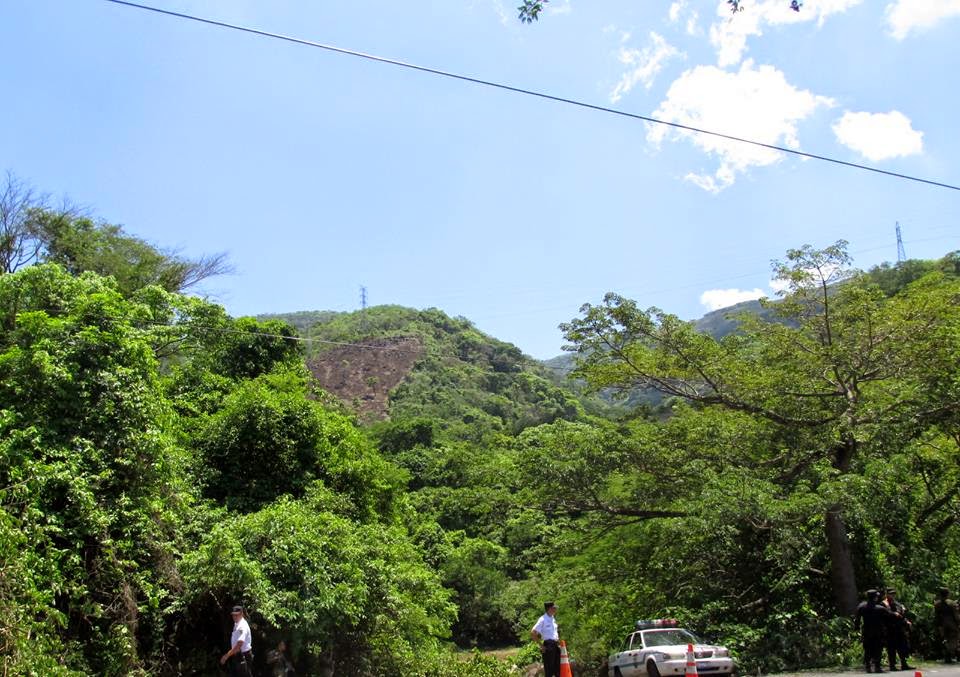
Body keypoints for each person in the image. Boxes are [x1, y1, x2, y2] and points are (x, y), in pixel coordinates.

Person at [855, 589, 893, 673]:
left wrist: (857, 628)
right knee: (878, 649)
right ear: (875, 598)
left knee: (867, 649)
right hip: (878, 631)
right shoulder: (880, 608)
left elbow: (857, 619)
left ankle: (868, 666)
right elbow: (890, 615)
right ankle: (877, 667)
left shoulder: (862, 607)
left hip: (867, 631)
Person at [882, 588, 912, 670]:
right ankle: (892, 665)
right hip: (890, 628)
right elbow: (885, 613)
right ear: (886, 594)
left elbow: (902, 614)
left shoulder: (897, 604)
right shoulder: (884, 604)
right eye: (891, 594)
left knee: (902, 646)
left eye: (894, 594)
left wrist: (906, 621)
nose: (893, 595)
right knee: (891, 647)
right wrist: (893, 613)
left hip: (899, 628)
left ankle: (904, 663)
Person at [220, 605, 254, 677]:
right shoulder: (237, 623)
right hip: (238, 656)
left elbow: (239, 645)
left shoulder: (242, 626)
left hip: (243, 656)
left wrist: (226, 656)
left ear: (241, 614)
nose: (234, 617)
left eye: (236, 615)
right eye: (233, 615)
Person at [531, 601, 560, 677]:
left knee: (557, 669)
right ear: (549, 609)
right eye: (554, 608)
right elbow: (533, 632)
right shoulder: (542, 619)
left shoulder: (552, 618)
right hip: (549, 645)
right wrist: (541, 645)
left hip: (556, 645)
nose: (555, 610)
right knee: (549, 670)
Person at [934, 587, 960, 663]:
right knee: (954, 639)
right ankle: (949, 654)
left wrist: (938, 626)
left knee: (945, 639)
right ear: (948, 594)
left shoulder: (937, 604)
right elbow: (956, 615)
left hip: (942, 624)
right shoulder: (952, 603)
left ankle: (948, 656)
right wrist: (958, 623)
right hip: (951, 623)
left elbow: (937, 616)